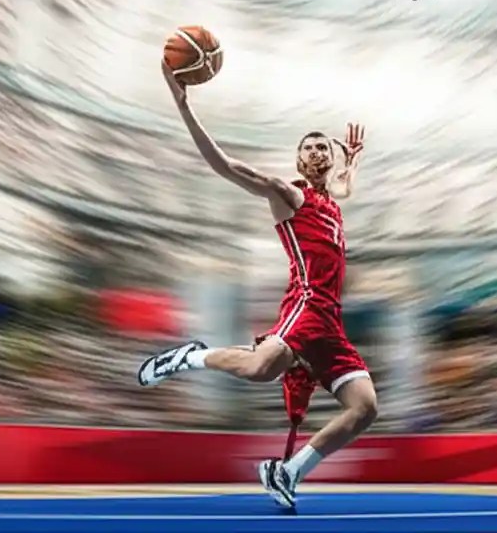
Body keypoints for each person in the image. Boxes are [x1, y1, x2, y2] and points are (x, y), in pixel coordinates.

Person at [138, 60, 377, 508]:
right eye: (310, 147)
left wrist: (353, 162)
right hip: (305, 307)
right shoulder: (289, 195)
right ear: (299, 161)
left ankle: (287, 472)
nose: (319, 152)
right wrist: (183, 105)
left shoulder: (331, 203)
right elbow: (225, 166)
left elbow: (344, 189)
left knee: (365, 407)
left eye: (325, 147)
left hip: (332, 323)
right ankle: (192, 356)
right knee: (259, 369)